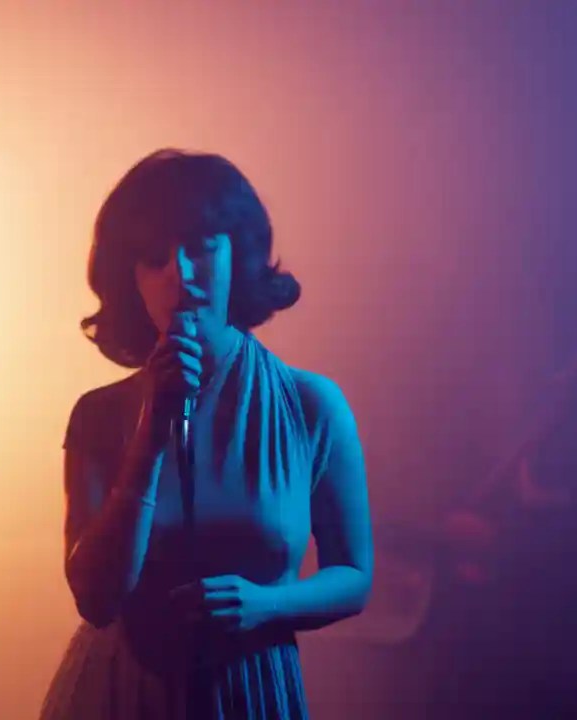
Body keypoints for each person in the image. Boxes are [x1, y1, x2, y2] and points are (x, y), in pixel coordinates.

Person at [40, 149, 374, 719]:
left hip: (251, 690)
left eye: (199, 246)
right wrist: (152, 430)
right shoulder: (98, 415)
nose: (180, 273)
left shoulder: (312, 405)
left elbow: (354, 576)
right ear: (131, 280)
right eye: (153, 258)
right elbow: (95, 595)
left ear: (235, 255)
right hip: (120, 693)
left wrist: (268, 605)